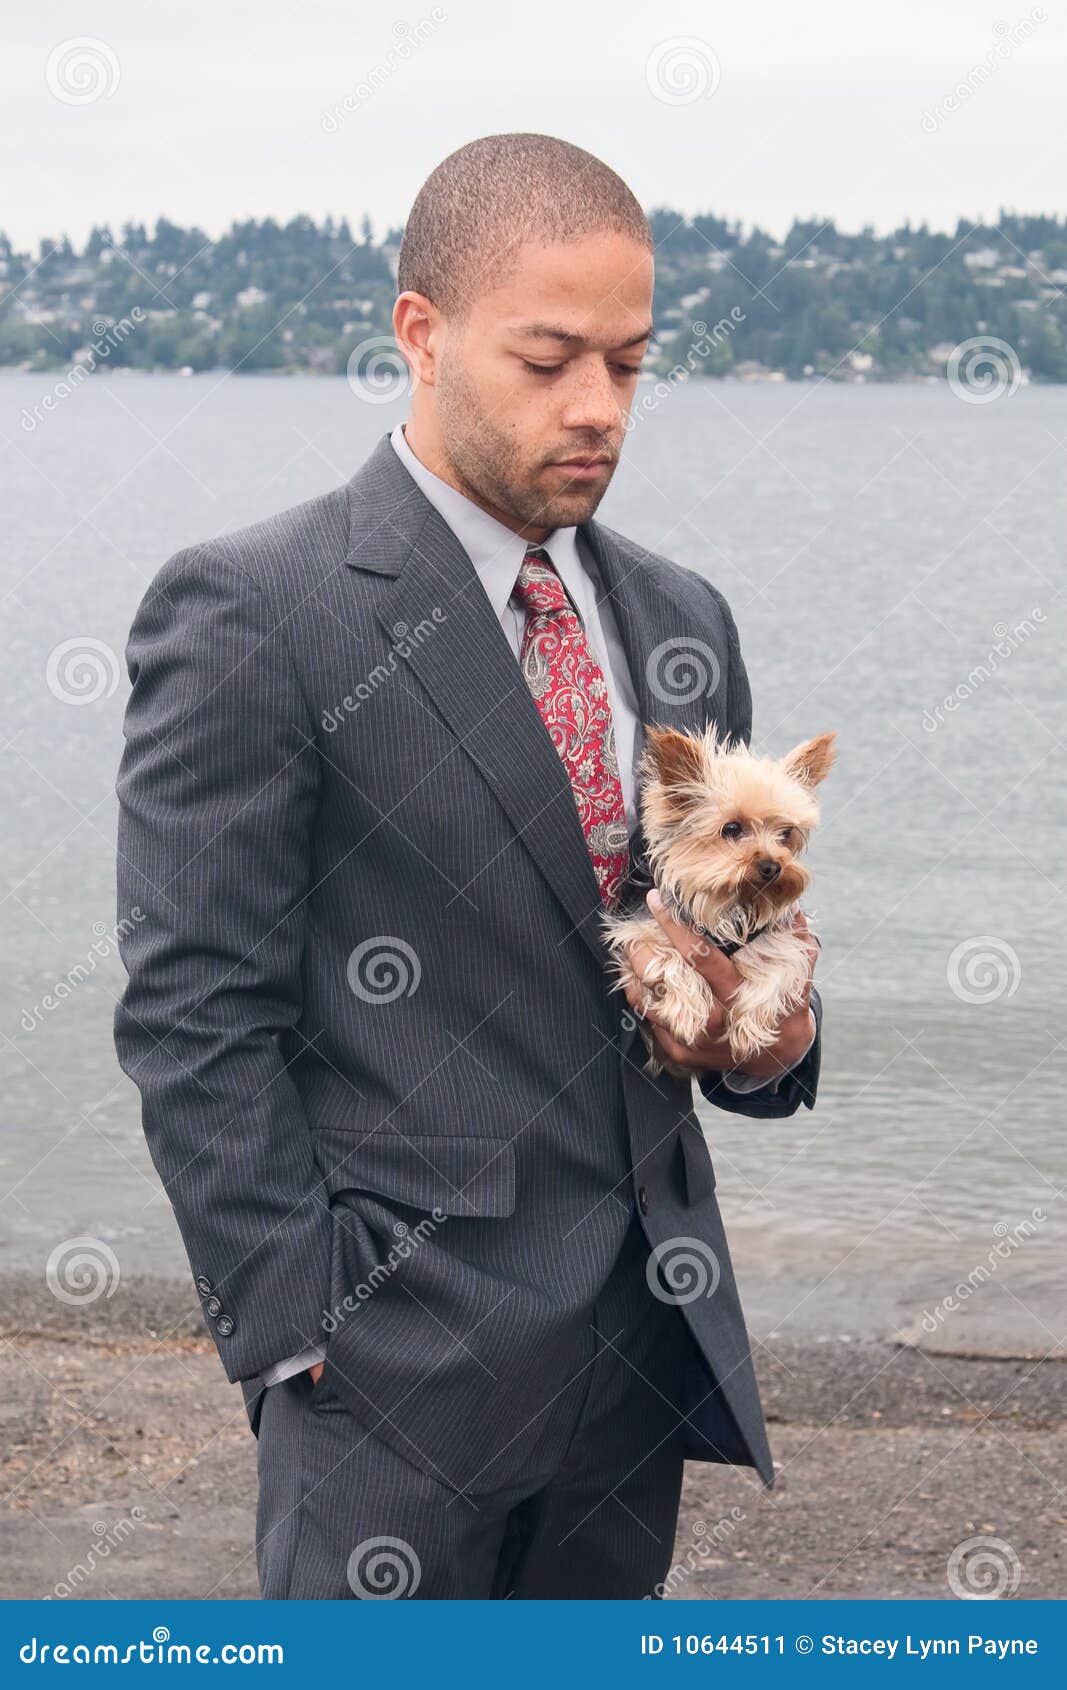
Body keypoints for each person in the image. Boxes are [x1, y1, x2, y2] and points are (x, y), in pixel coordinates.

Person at [113, 132, 821, 1601]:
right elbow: (194, 1009)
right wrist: (300, 1328)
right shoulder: (256, 606)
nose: (597, 407)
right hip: (385, 1378)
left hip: (640, 1352)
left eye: (628, 363)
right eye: (549, 357)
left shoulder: (681, 615)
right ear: (419, 335)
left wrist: (775, 1035)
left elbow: (729, 929)